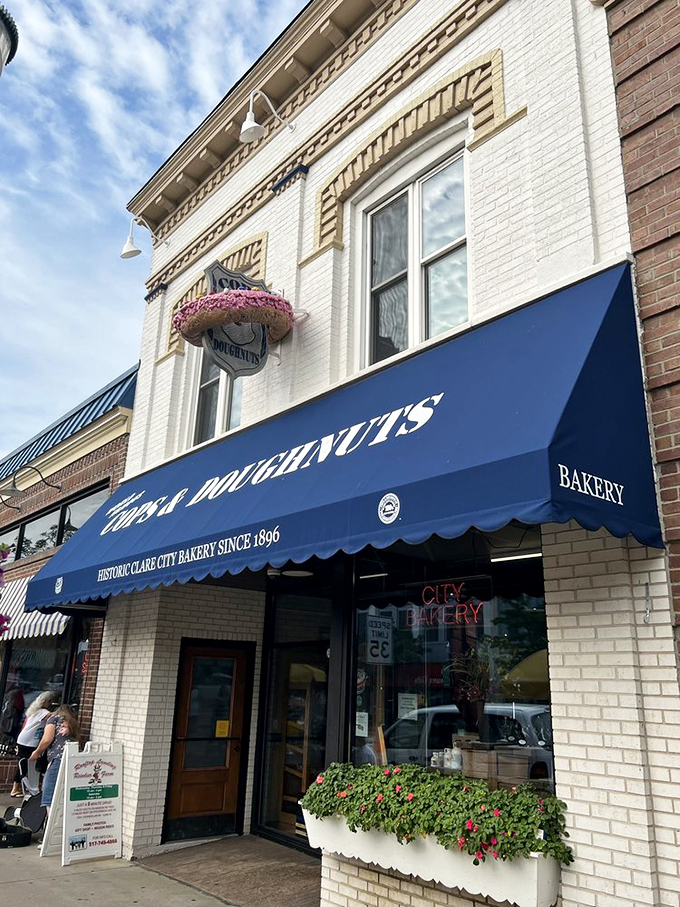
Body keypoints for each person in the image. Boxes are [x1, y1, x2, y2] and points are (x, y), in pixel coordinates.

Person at [29, 705, 80, 815]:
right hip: (74, 760)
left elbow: (47, 739)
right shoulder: (73, 723)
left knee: (49, 792)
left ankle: (51, 824)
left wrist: (37, 753)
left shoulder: (54, 719)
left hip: (58, 758)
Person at [10, 691, 55, 797]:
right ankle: (23, 788)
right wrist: (64, 712)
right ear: (45, 702)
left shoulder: (33, 710)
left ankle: (17, 788)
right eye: (50, 702)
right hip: (29, 742)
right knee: (28, 764)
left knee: (23, 764)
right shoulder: (42, 712)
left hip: (24, 740)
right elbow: (53, 716)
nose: (51, 704)